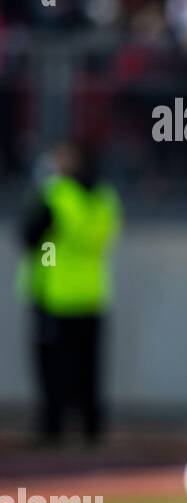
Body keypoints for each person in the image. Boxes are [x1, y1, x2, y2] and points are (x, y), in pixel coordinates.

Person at [15, 141, 121, 444]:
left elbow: (31, 237)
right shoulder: (104, 197)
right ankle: (91, 429)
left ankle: (52, 429)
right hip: (91, 292)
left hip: (54, 293)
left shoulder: (55, 194)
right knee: (88, 368)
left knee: (53, 368)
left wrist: (40, 192)